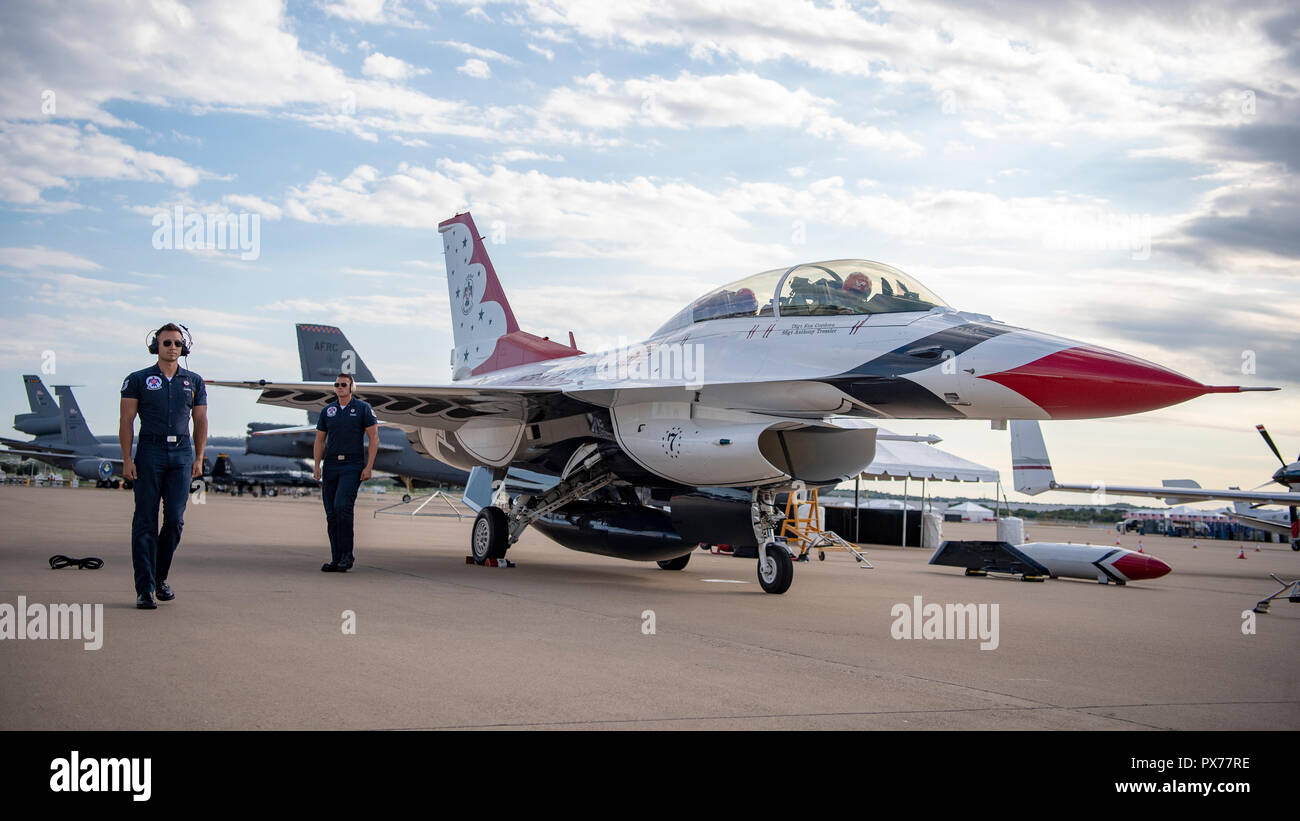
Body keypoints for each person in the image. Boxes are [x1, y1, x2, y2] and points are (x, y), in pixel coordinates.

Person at [120, 323, 207, 610]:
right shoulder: (138, 379)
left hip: (181, 453)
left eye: (177, 344)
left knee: (174, 520)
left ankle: (160, 578)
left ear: (184, 349)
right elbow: (126, 422)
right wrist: (127, 459)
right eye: (167, 343)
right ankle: (144, 589)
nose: (172, 348)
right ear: (156, 346)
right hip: (150, 451)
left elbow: (201, 422)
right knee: (145, 520)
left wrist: (198, 457)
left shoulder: (194, 381)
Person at [313, 372, 379, 572]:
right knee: (331, 513)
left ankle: (347, 556)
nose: (340, 387)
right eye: (337, 384)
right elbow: (319, 440)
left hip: (352, 465)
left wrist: (369, 466)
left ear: (351, 387)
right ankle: (336, 558)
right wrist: (317, 465)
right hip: (331, 465)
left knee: (343, 507)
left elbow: (374, 437)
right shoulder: (328, 411)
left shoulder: (362, 409)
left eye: (344, 384)